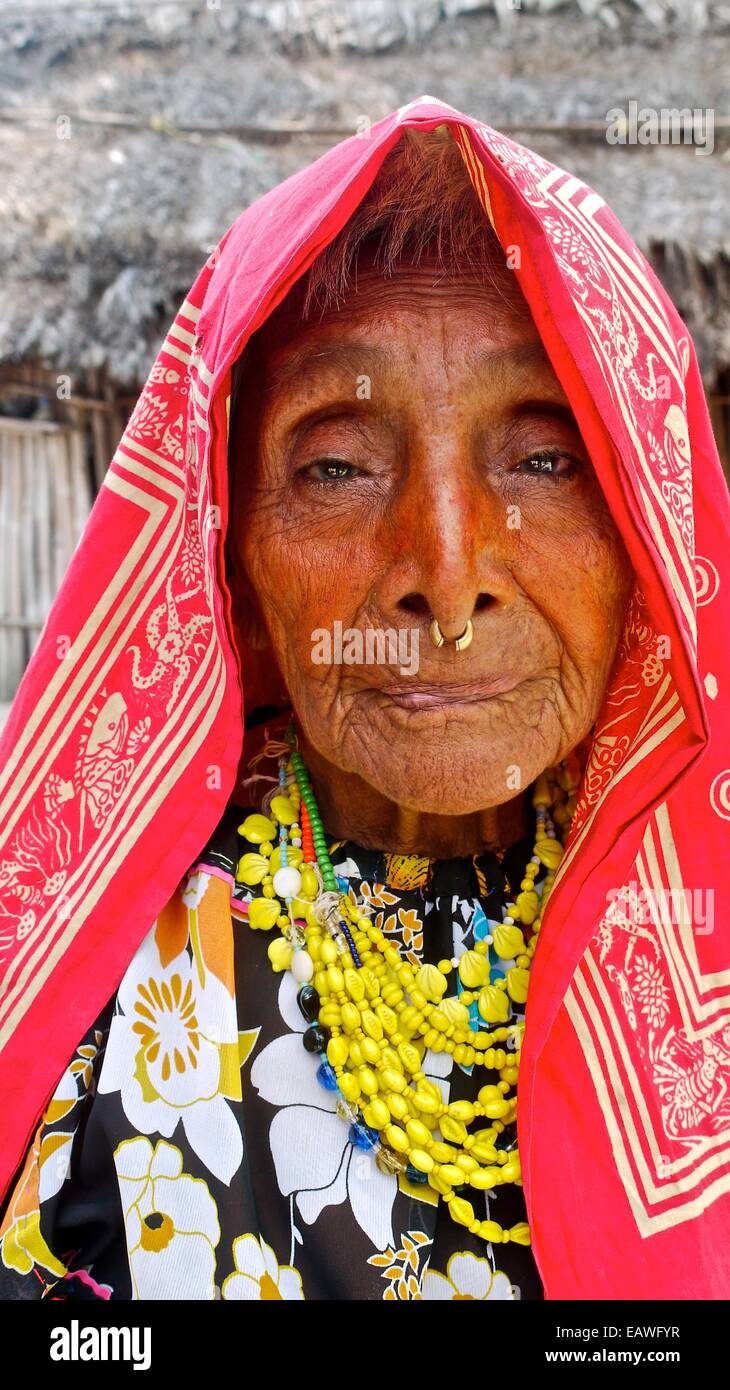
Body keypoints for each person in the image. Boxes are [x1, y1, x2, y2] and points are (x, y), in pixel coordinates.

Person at [0, 97, 728, 1302]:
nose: (448, 579)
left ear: (645, 534)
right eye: (335, 465)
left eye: (543, 457)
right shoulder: (98, 999)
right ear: (228, 554)